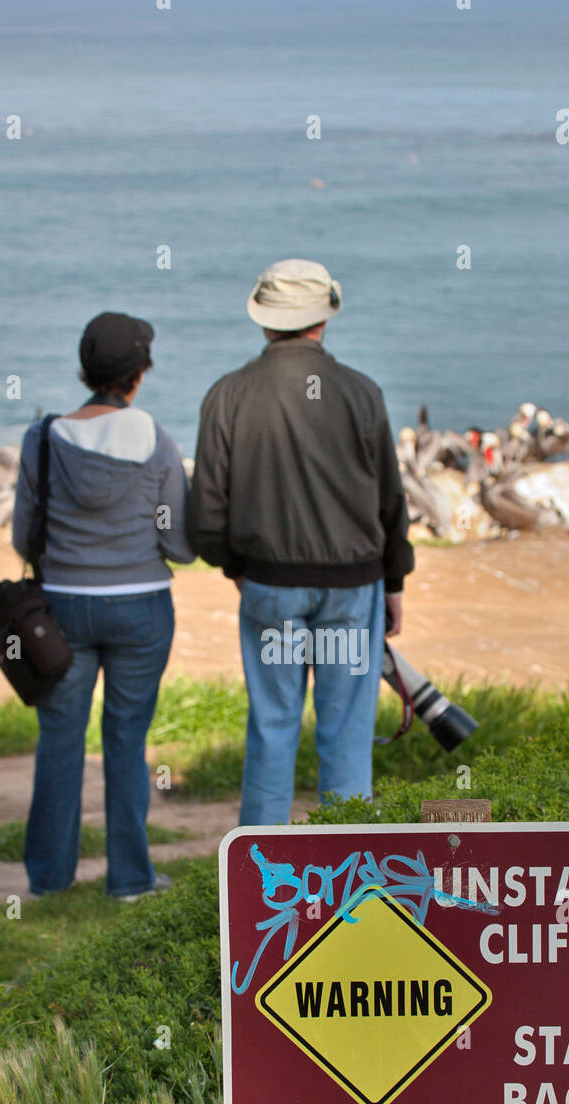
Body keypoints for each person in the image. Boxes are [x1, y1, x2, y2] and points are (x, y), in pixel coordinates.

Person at [188, 259, 413, 825]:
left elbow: (206, 513)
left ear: (264, 321)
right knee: (346, 735)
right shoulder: (363, 393)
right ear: (324, 319)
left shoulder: (227, 395)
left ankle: (259, 887)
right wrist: (395, 580)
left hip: (269, 586)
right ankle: (351, 881)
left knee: (272, 727)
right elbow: (389, 500)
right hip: (352, 588)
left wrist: (235, 566)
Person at [12, 311, 194, 900]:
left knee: (60, 740)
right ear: (139, 375)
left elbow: (23, 537)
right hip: (141, 609)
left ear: (86, 371)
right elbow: (177, 543)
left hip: (61, 611)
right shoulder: (158, 440)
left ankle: (48, 880)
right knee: (126, 739)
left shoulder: (43, 438)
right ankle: (131, 879)